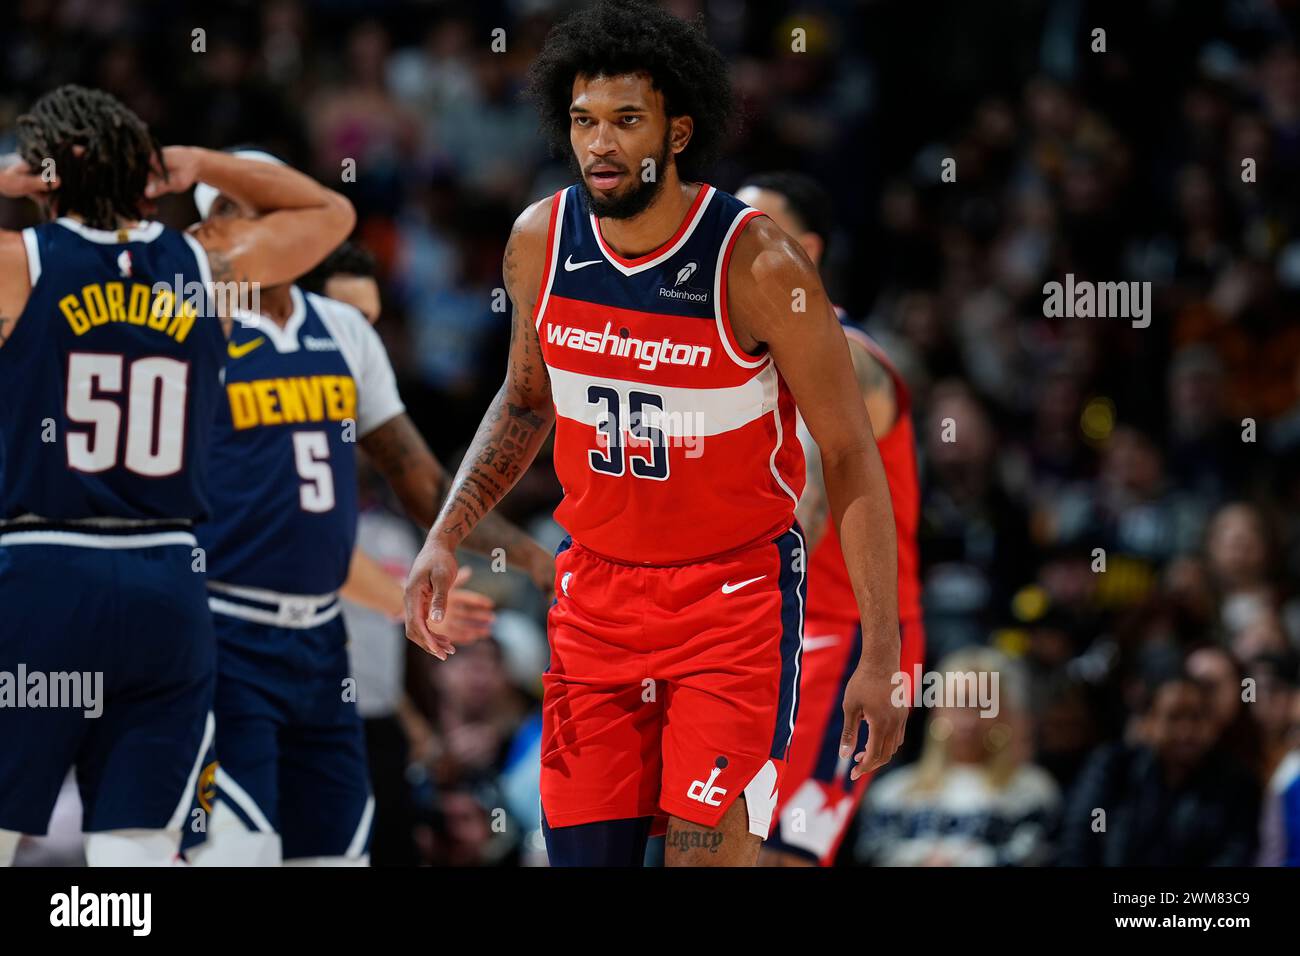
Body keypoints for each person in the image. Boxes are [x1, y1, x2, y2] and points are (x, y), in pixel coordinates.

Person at [403, 0, 905, 867]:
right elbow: (524, 402)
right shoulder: (540, 241)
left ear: (678, 131)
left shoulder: (759, 265)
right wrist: (445, 535)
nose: (600, 144)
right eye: (583, 121)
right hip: (594, 600)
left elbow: (853, 453)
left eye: (626, 120)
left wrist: (881, 653)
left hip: (731, 606)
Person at [0, 85, 354, 866]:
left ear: (46, 174)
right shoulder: (206, 267)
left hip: (45, 576)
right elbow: (332, 213)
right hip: (169, 586)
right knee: (137, 847)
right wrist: (200, 161)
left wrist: (9, 178)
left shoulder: (20, 264)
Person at [183, 152, 552, 866]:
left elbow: (422, 483)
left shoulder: (343, 330)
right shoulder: (194, 328)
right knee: (236, 853)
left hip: (322, 641)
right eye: (231, 211)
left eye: (271, 208)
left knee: (336, 856)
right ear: (213, 230)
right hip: (223, 628)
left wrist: (534, 559)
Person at [734, 171, 926, 867]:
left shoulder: (850, 355)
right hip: (757, 624)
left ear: (805, 251)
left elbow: (811, 493)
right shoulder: (734, 357)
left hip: (843, 631)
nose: (732, 251)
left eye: (755, 234)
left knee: (781, 851)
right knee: (720, 843)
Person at [856, 648, 1059, 866]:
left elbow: (1033, 854)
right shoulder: (894, 792)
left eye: (982, 706)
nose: (968, 721)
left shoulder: (1030, 792)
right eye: (958, 704)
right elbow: (871, 852)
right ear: (937, 710)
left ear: (1004, 714)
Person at [1059, 674, 1260, 866]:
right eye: (1174, 717)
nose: (1186, 731)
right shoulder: (1113, 767)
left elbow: (1234, 854)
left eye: (1196, 718)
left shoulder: (1237, 786)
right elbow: (1079, 838)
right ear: (1150, 722)